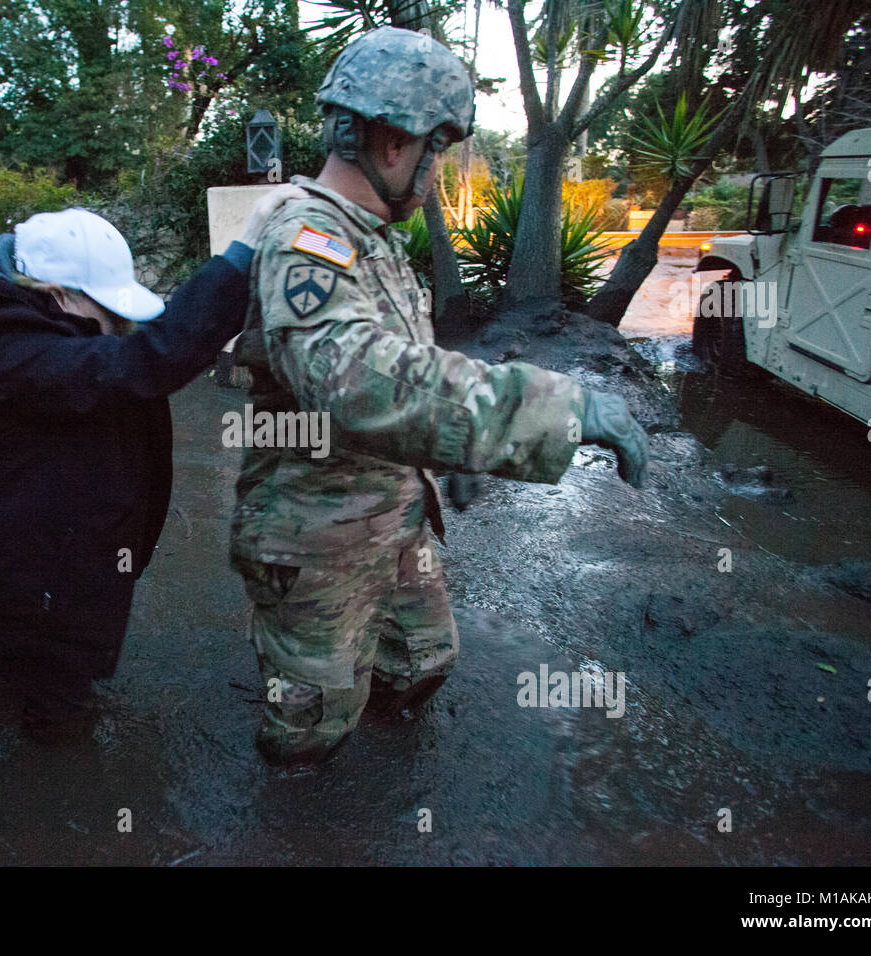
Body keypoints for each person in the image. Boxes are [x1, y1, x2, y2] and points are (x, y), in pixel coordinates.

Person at [230, 27, 650, 766]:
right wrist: (558, 409)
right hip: (315, 535)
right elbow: (355, 380)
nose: (435, 171)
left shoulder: (372, 236)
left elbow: (409, 361)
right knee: (310, 728)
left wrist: (447, 444)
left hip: (393, 513)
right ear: (395, 141)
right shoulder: (307, 240)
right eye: (438, 151)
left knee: (421, 663)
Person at [0, 187, 306, 743]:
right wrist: (243, 251)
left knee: (46, 661)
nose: (116, 320)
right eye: (104, 306)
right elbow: (146, 362)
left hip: (10, 559)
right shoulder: (19, 352)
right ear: (57, 295)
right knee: (60, 705)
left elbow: (138, 361)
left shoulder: (43, 336)